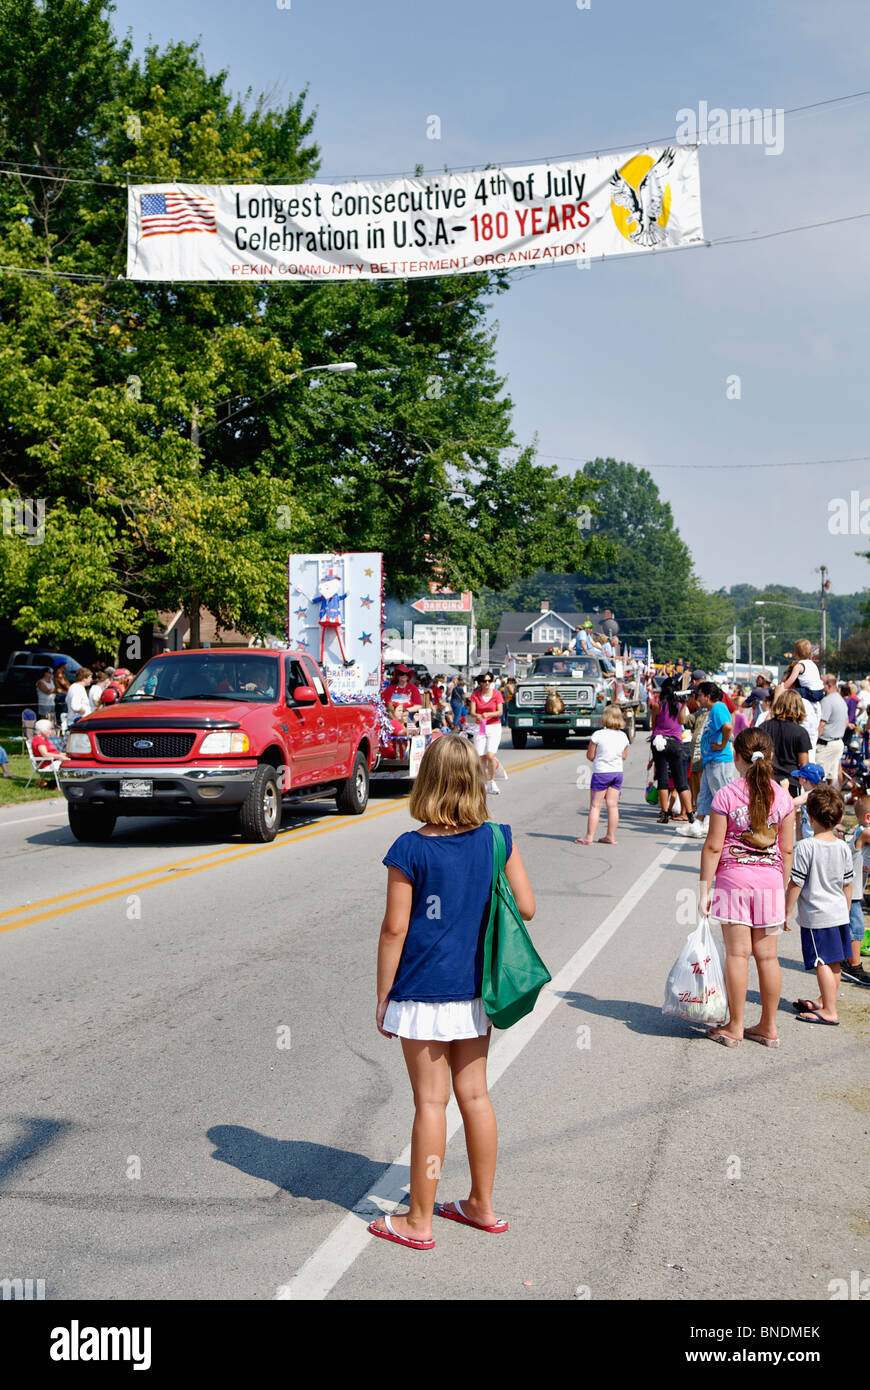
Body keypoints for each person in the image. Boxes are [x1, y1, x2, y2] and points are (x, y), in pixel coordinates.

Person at [369, 735, 535, 1250]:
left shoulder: (410, 847)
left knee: (431, 1104)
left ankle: (419, 1220)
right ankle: (481, 1205)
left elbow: (395, 928)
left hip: (422, 992)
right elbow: (527, 908)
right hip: (475, 990)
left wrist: (383, 996)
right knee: (476, 1096)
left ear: (428, 780)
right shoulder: (498, 838)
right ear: (476, 781)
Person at [699, 727, 795, 1046]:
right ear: (770, 758)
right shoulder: (783, 798)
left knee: (737, 955)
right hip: (770, 884)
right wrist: (783, 897)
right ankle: (769, 1026)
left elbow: (713, 847)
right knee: (768, 958)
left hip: (734, 881)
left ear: (737, 758)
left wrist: (704, 890)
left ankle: (736, 1025)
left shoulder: (726, 795)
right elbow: (787, 850)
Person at [786, 784, 853, 1025]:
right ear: (840, 818)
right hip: (838, 912)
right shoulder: (843, 847)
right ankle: (825, 1001)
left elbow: (796, 883)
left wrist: (786, 912)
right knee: (834, 962)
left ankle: (829, 1011)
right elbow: (848, 885)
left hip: (817, 915)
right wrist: (845, 910)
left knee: (821, 961)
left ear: (810, 817)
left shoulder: (805, 847)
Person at [680, 681, 736, 838]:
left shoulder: (718, 708)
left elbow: (728, 727)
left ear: (708, 696)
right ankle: (697, 825)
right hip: (710, 760)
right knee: (704, 795)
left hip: (719, 760)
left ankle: (730, 829)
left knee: (722, 794)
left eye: (700, 695)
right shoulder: (712, 710)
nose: (698, 698)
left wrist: (722, 744)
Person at [575, 703, 630, 845]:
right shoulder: (623, 736)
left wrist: (599, 758)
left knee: (595, 805)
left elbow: (590, 755)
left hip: (601, 773)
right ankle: (610, 836)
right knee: (612, 805)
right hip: (617, 773)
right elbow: (624, 756)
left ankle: (589, 837)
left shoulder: (598, 735)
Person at [650, 677, 698, 830]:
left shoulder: (657, 706)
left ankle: (664, 814)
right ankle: (690, 815)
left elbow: (653, 726)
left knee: (663, 780)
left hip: (659, 743)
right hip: (677, 744)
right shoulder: (680, 706)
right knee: (682, 782)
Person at [841, 793, 870, 987]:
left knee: (851, 925)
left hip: (855, 889)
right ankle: (854, 966)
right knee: (857, 927)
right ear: (868, 818)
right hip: (850, 890)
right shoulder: (865, 832)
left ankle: (845, 958)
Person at [764, 690, 811, 794]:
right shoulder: (801, 732)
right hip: (790, 781)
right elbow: (804, 763)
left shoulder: (764, 727)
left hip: (766, 780)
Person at [468, 673, 505, 795]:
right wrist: (478, 715)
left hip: (493, 727)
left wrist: (488, 715)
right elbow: (472, 712)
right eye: (484, 681)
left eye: (489, 681)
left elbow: (500, 712)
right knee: (481, 757)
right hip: (480, 727)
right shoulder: (475, 695)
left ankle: (491, 781)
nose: (487, 683)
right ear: (480, 683)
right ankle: (483, 783)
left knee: (490, 756)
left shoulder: (497, 694)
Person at [816, 674, 848, 786]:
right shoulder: (841, 700)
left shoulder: (827, 701)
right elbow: (846, 722)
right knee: (831, 777)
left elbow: (821, 725)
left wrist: (813, 741)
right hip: (838, 742)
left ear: (828, 685)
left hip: (826, 744)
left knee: (816, 775)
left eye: (822, 683)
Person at [30, 718, 64, 783]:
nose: (50, 732)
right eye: (49, 729)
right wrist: (60, 756)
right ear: (43, 729)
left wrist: (63, 754)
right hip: (47, 764)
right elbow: (45, 754)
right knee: (68, 764)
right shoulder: (38, 740)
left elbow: (51, 752)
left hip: (52, 762)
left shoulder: (43, 739)